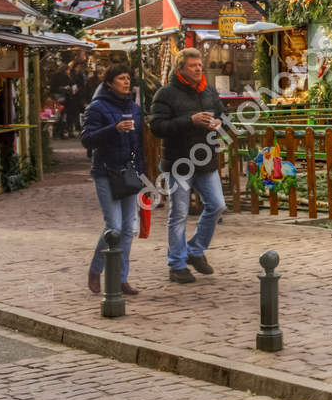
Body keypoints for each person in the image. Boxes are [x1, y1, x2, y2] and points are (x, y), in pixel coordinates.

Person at [150, 47, 229, 284]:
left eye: (199, 65)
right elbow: (156, 126)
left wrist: (218, 122)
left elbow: (225, 115)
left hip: (205, 159)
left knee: (217, 205)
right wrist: (189, 120)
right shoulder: (166, 93)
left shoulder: (209, 90)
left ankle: (195, 250)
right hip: (178, 161)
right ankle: (176, 264)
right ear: (180, 68)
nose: (198, 69)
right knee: (179, 213)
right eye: (193, 66)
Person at [79, 66, 145, 296]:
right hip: (106, 172)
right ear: (109, 83)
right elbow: (87, 140)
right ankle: (96, 269)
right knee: (113, 227)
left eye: (128, 78)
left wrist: (142, 174)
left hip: (128, 173)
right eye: (121, 78)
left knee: (128, 229)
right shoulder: (97, 106)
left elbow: (139, 145)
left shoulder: (134, 108)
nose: (126, 82)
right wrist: (113, 129)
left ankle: (120, 277)